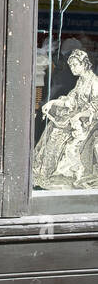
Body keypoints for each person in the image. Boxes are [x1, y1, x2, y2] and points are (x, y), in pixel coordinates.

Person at [33, 47, 98, 190]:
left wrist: (79, 116)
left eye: (75, 65)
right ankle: (46, 172)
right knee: (53, 128)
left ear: (84, 64)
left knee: (65, 136)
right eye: (71, 66)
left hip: (90, 122)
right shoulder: (81, 81)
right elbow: (71, 100)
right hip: (78, 118)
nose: (73, 69)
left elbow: (95, 108)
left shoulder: (94, 82)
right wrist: (52, 103)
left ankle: (64, 175)